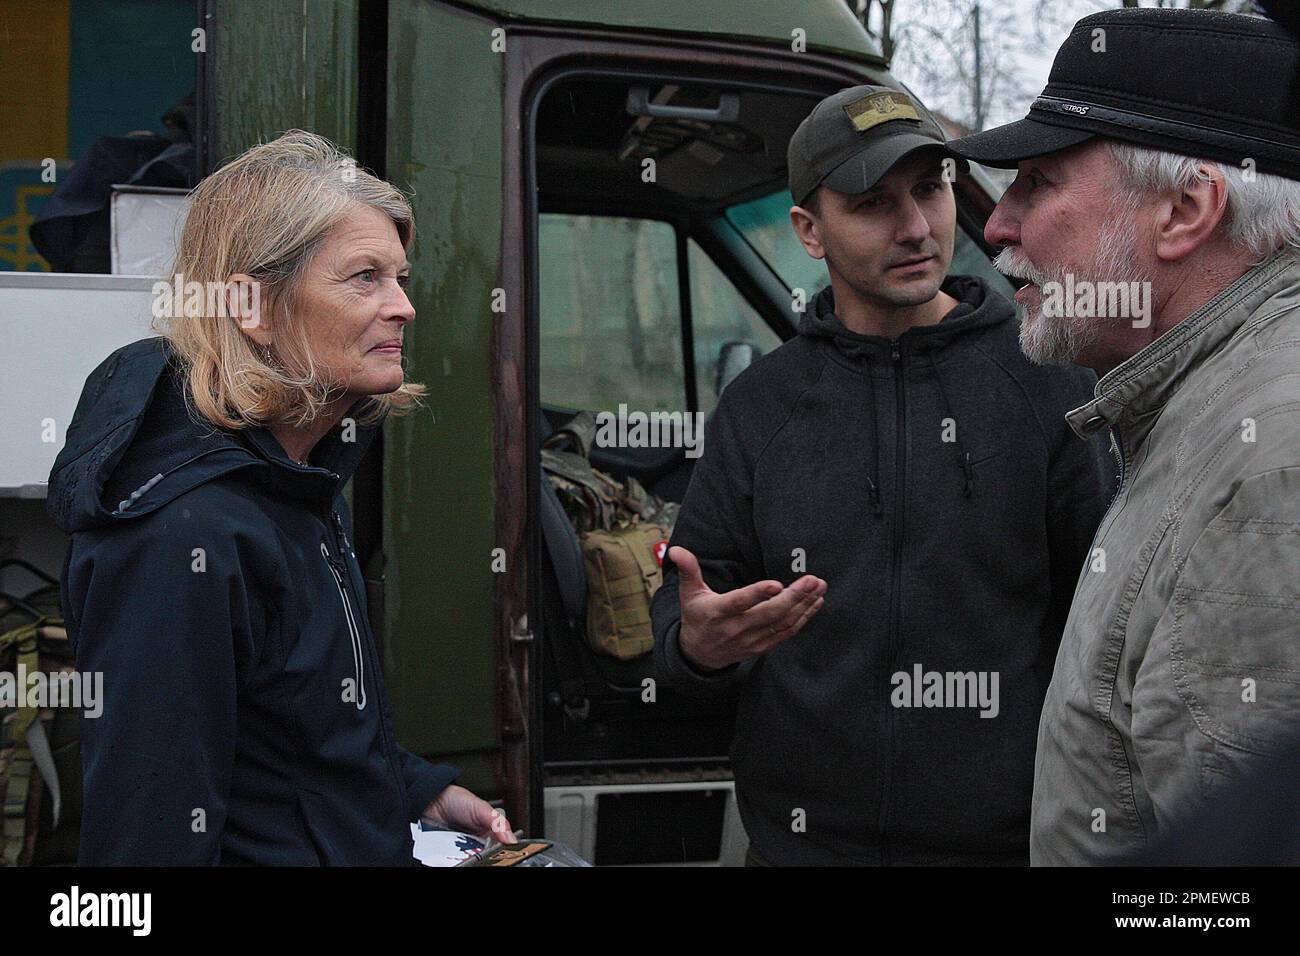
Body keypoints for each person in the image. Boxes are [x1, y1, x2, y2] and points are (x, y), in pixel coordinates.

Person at [649, 86, 1114, 866]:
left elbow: (1105, 623)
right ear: (809, 231)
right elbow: (688, 615)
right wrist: (697, 646)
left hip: (1007, 847)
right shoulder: (760, 406)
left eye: (930, 190)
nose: (915, 228)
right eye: (871, 203)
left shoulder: (1050, 382)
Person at [46, 130, 515, 865]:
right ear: (252, 306)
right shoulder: (182, 531)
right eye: (365, 277)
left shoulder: (294, 475)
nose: (404, 307)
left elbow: (294, 729)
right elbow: (147, 834)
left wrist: (413, 787)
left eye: (401, 277)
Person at [948, 6, 1300, 865]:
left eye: (1037, 182)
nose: (997, 225)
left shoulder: (1265, 476)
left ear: (1185, 210)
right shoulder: (1213, 411)